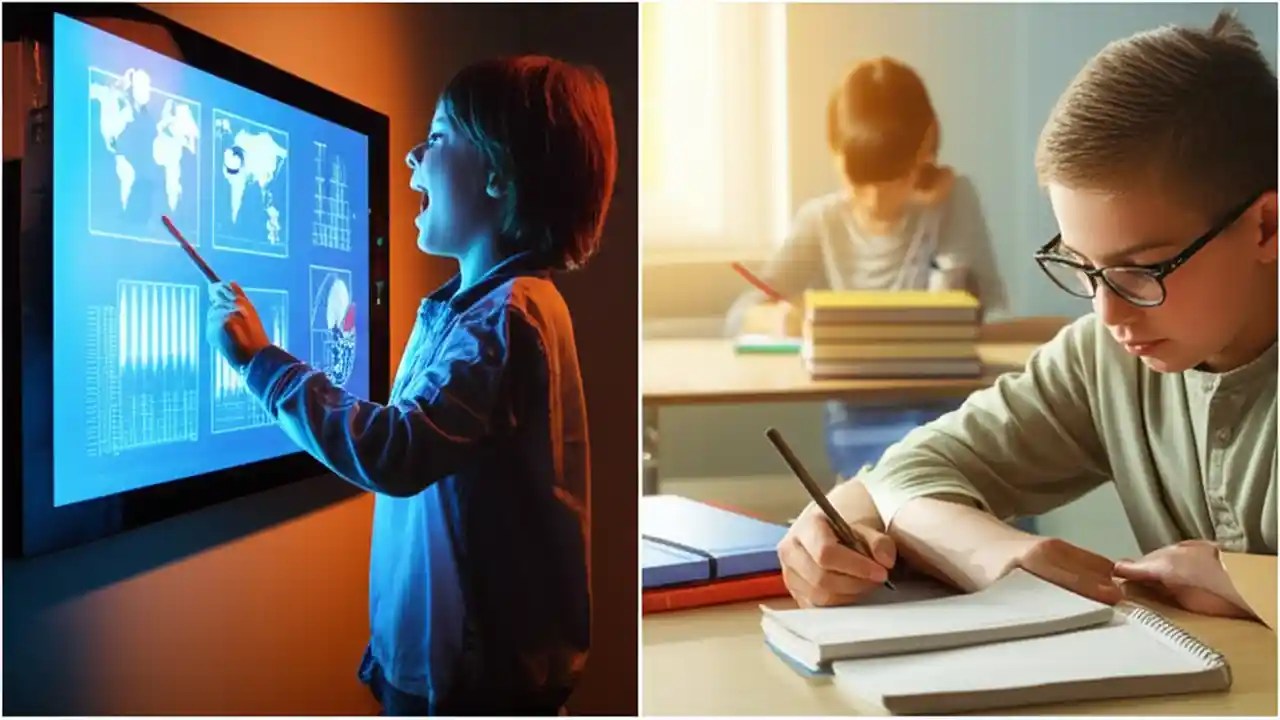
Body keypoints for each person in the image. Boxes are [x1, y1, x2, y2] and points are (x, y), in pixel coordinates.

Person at [776, 10, 1276, 622]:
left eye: (1141, 268)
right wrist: (1002, 553)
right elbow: (899, 475)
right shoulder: (1105, 356)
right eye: (1082, 266)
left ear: (1265, 226)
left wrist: (1252, 583)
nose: (1106, 309)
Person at [206, 55, 618, 715]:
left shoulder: (506, 320)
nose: (412, 157)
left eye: (441, 136)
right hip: (449, 673)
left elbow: (398, 451)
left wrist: (261, 362)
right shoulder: (479, 310)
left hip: (476, 689)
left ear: (498, 173)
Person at [726, 56, 1006, 481]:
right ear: (835, 152)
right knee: (904, 488)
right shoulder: (822, 220)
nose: (875, 200)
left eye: (891, 178)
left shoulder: (954, 200)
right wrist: (781, 317)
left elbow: (958, 315)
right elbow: (738, 314)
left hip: (948, 408)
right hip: (860, 418)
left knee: (971, 480)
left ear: (925, 146)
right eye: (859, 181)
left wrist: (941, 211)